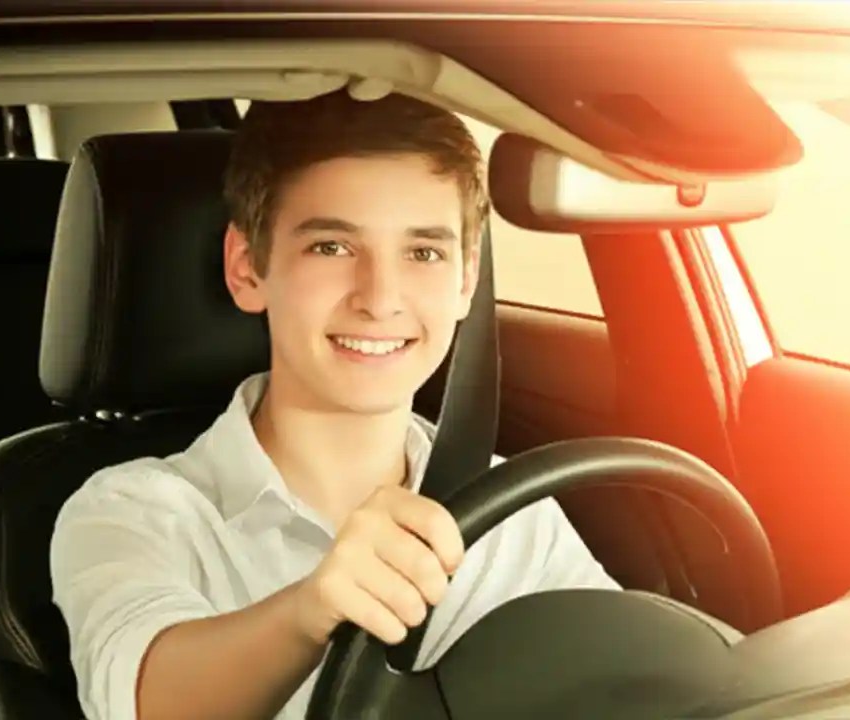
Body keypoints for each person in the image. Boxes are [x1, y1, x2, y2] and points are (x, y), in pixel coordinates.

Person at [49, 90, 619, 720]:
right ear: (246, 268)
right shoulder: (133, 510)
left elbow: (638, 677)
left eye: (423, 252)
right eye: (333, 247)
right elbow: (151, 702)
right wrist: (310, 609)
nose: (380, 298)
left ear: (466, 280)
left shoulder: (512, 508)